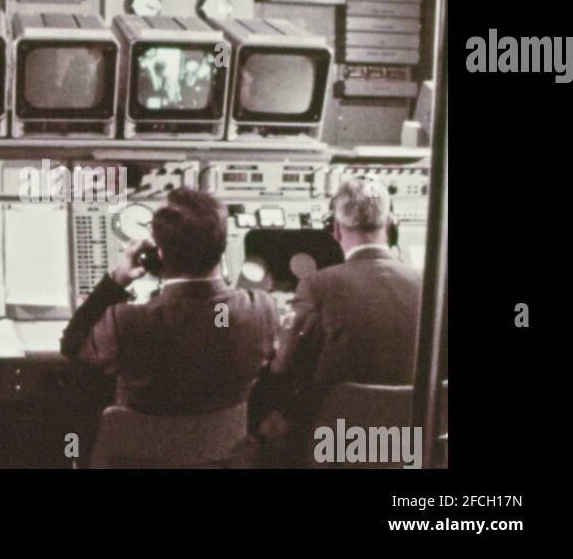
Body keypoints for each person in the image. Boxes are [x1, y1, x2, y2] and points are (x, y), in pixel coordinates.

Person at [60, 188, 278, 418]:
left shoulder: (126, 321)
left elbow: (71, 347)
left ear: (158, 255)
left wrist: (115, 282)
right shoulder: (263, 308)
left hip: (143, 451)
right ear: (223, 246)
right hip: (224, 451)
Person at [257, 177, 422, 465]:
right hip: (409, 444)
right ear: (391, 225)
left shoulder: (317, 286)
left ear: (335, 229)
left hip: (336, 444)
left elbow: (284, 367)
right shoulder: (430, 285)